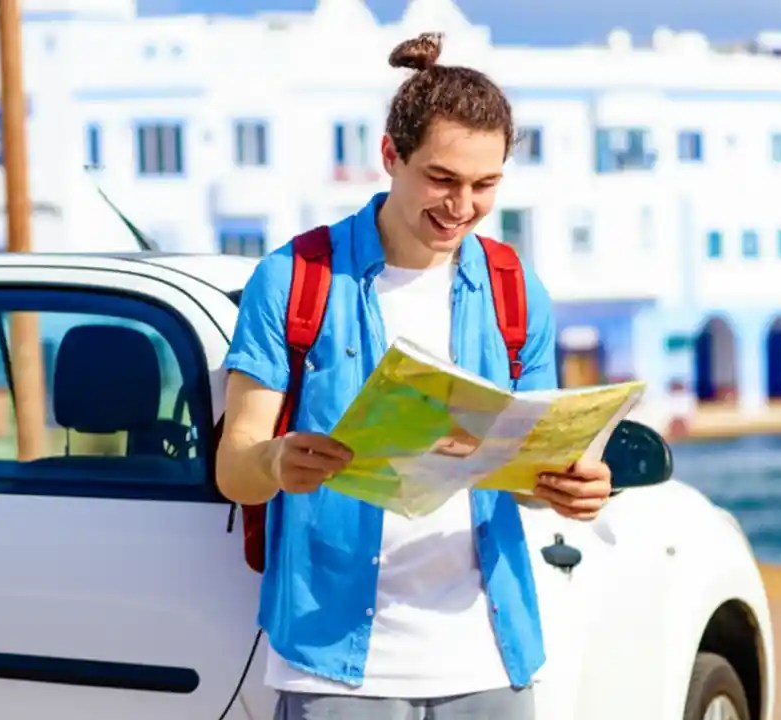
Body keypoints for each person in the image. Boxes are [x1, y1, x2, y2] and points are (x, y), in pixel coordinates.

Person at [215, 31, 613, 720]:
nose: (462, 206)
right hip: (335, 667)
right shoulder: (292, 280)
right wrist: (277, 460)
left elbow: (528, 476)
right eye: (443, 179)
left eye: (485, 185)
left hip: (490, 656)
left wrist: (569, 487)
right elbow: (234, 467)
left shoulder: (517, 291)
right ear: (390, 156)